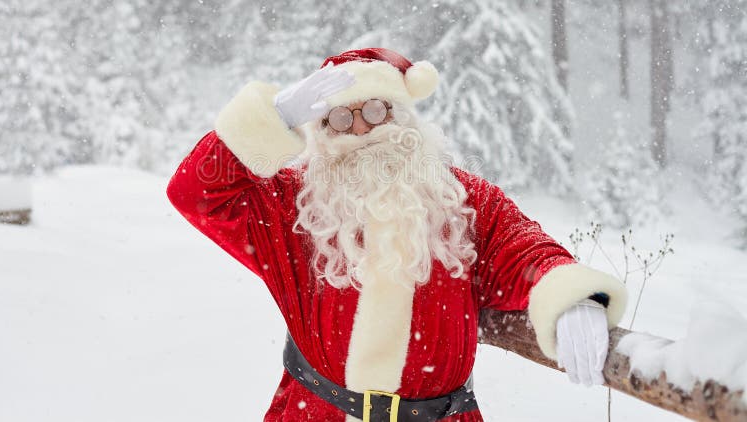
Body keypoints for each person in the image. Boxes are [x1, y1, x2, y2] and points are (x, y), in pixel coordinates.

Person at [166, 48, 627, 421]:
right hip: (316, 412)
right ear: (322, 132)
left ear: (404, 117)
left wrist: (573, 297)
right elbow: (196, 191)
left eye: (373, 109)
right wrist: (277, 116)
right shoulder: (295, 208)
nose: (361, 129)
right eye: (341, 120)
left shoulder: (465, 200)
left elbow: (527, 252)